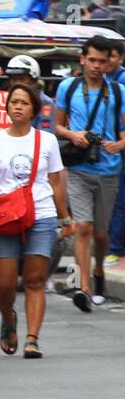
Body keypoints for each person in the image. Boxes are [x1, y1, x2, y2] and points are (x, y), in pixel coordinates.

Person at [0, 84, 71, 360]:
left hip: (41, 214)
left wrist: (64, 216)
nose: (18, 106)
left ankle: (32, 338)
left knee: (34, 279)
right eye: (14, 102)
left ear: (34, 109)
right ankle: (9, 318)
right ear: (6, 107)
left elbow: (56, 180)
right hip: (5, 217)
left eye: (24, 103)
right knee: (4, 283)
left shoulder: (47, 140)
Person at [54, 35, 125, 311]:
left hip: (108, 169)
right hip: (79, 167)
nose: (96, 65)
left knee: (102, 233)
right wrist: (73, 134)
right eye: (91, 59)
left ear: (109, 62)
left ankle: (99, 272)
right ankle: (84, 286)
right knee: (83, 226)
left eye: (102, 61)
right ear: (82, 59)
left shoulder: (118, 92)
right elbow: (57, 126)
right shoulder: (67, 88)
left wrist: (119, 144)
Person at [5, 55, 55, 130]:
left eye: (22, 79)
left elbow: (45, 134)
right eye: (14, 79)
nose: (17, 83)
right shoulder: (6, 99)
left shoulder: (45, 102)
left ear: (34, 80)